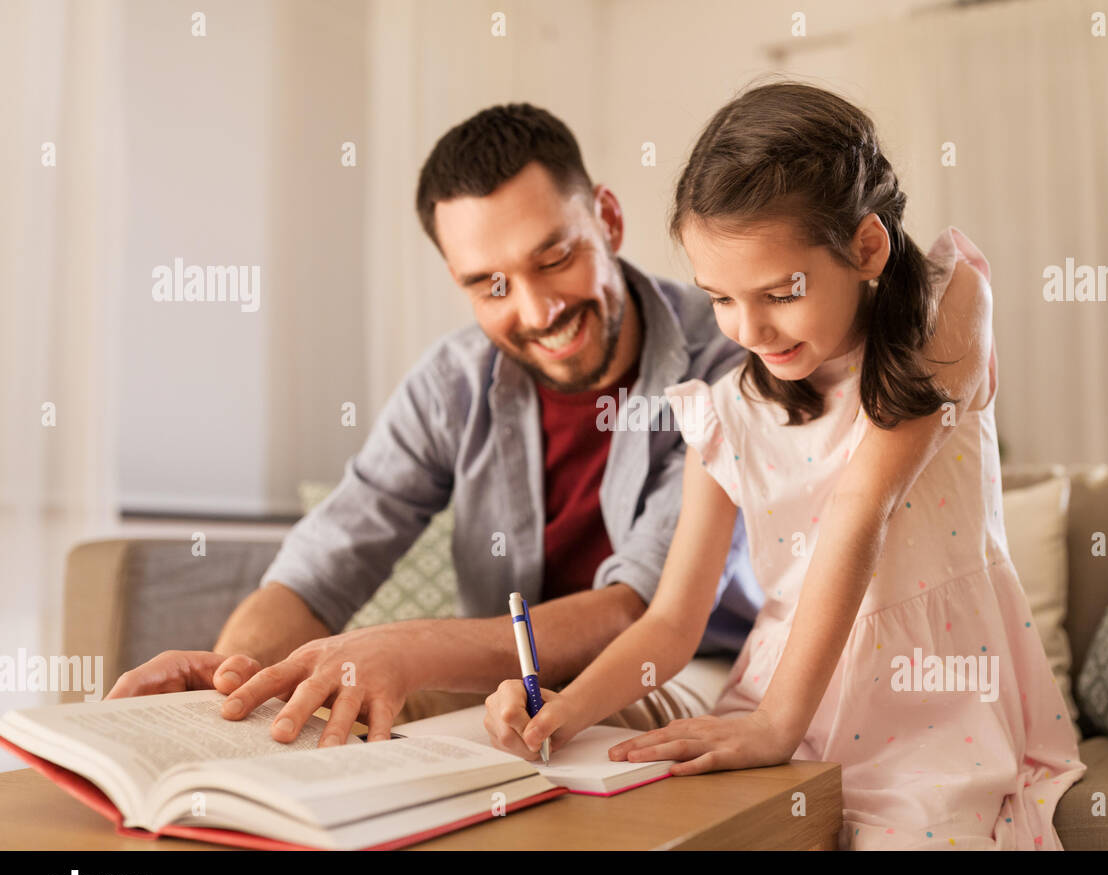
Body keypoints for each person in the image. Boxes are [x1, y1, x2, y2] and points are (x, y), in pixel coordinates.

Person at [483, 81, 1086, 849]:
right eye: (721, 300)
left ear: (868, 247)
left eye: (779, 293)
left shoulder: (948, 307)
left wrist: (777, 727)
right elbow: (673, 620)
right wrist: (565, 708)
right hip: (775, 690)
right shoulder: (727, 410)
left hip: (930, 698)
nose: (749, 328)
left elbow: (862, 503)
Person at [106, 103, 762, 746]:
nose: (537, 311)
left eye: (555, 258)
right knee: (324, 722)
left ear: (608, 221)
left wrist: (415, 645)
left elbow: (637, 607)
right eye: (490, 285)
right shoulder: (452, 381)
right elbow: (328, 559)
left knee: (557, 730)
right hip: (505, 669)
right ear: (458, 281)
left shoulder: (725, 365)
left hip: (691, 660)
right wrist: (233, 677)